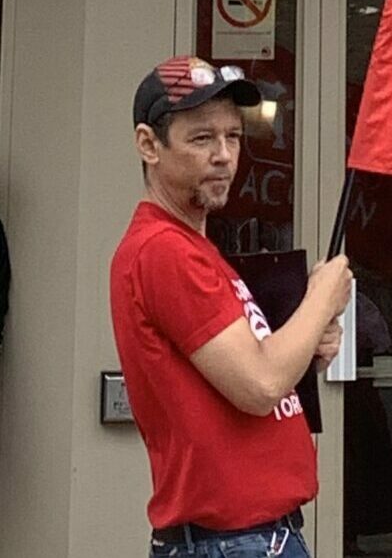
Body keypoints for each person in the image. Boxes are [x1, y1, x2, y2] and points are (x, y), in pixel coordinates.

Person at [110, 56, 353, 558]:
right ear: (148, 144)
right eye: (201, 139)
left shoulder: (197, 251)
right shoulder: (165, 250)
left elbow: (255, 372)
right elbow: (260, 384)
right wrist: (320, 299)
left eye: (234, 137)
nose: (224, 155)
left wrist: (304, 344)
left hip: (249, 536)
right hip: (234, 540)